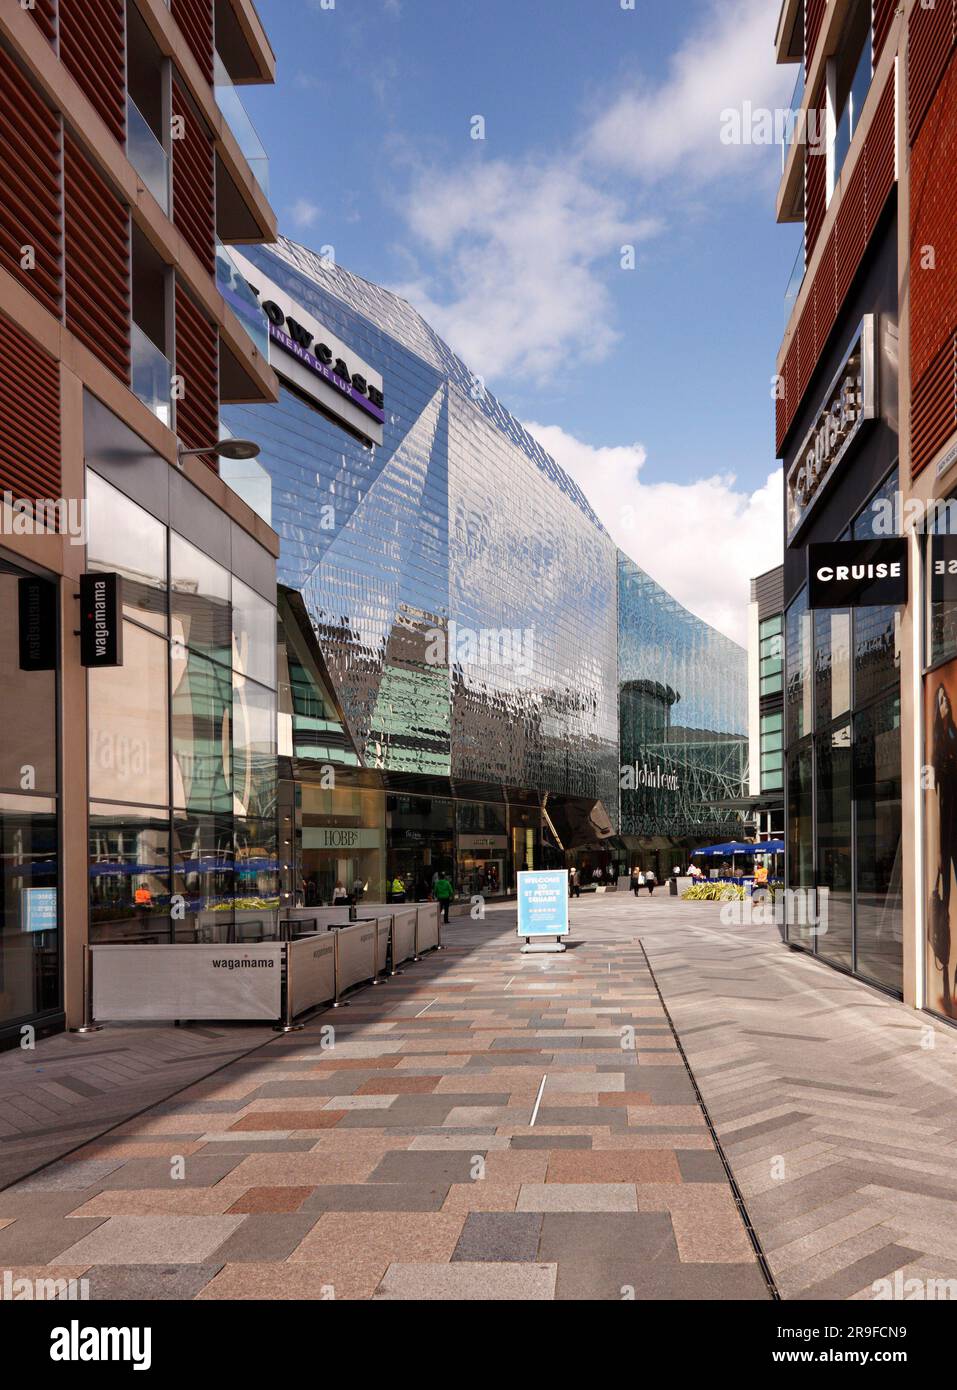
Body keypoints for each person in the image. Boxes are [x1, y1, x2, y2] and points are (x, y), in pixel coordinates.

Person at [932, 683, 957, 1014]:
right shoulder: (939, 745)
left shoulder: (955, 735)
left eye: (946, 698)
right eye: (939, 701)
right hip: (947, 829)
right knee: (946, 908)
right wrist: (938, 849)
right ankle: (945, 983)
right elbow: (937, 800)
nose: (945, 703)